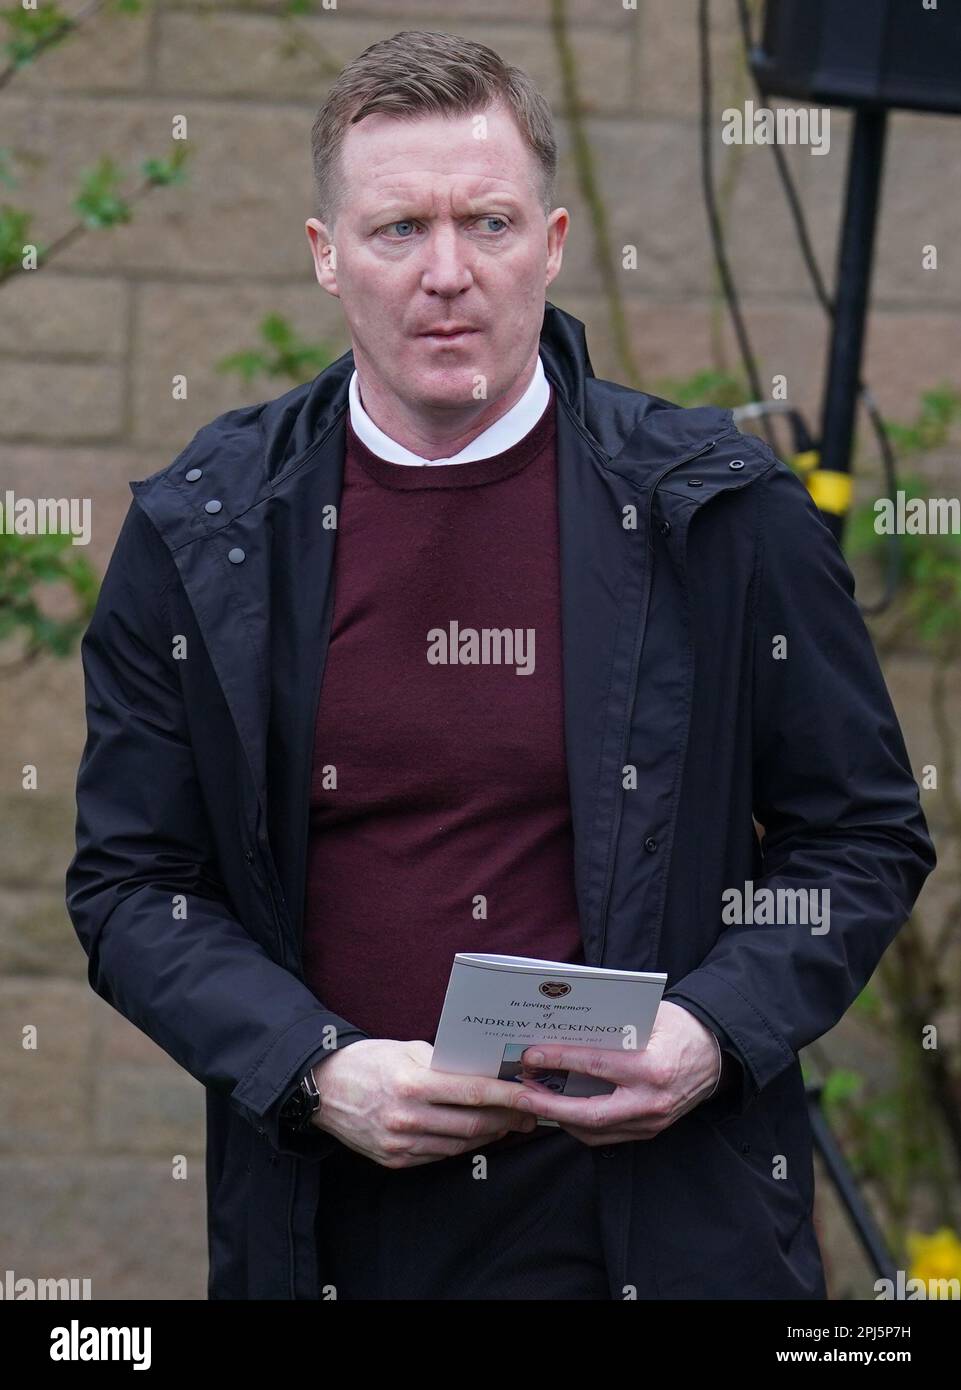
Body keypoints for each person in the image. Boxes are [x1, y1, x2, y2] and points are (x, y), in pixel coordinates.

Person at [65, 29, 936, 1301]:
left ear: (555, 241)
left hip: (658, 1236)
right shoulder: (208, 531)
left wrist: (710, 1034)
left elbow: (858, 839)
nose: (447, 274)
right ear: (325, 257)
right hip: (328, 1236)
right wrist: (312, 1067)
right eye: (398, 230)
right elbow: (134, 885)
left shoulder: (717, 515)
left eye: (487, 222)